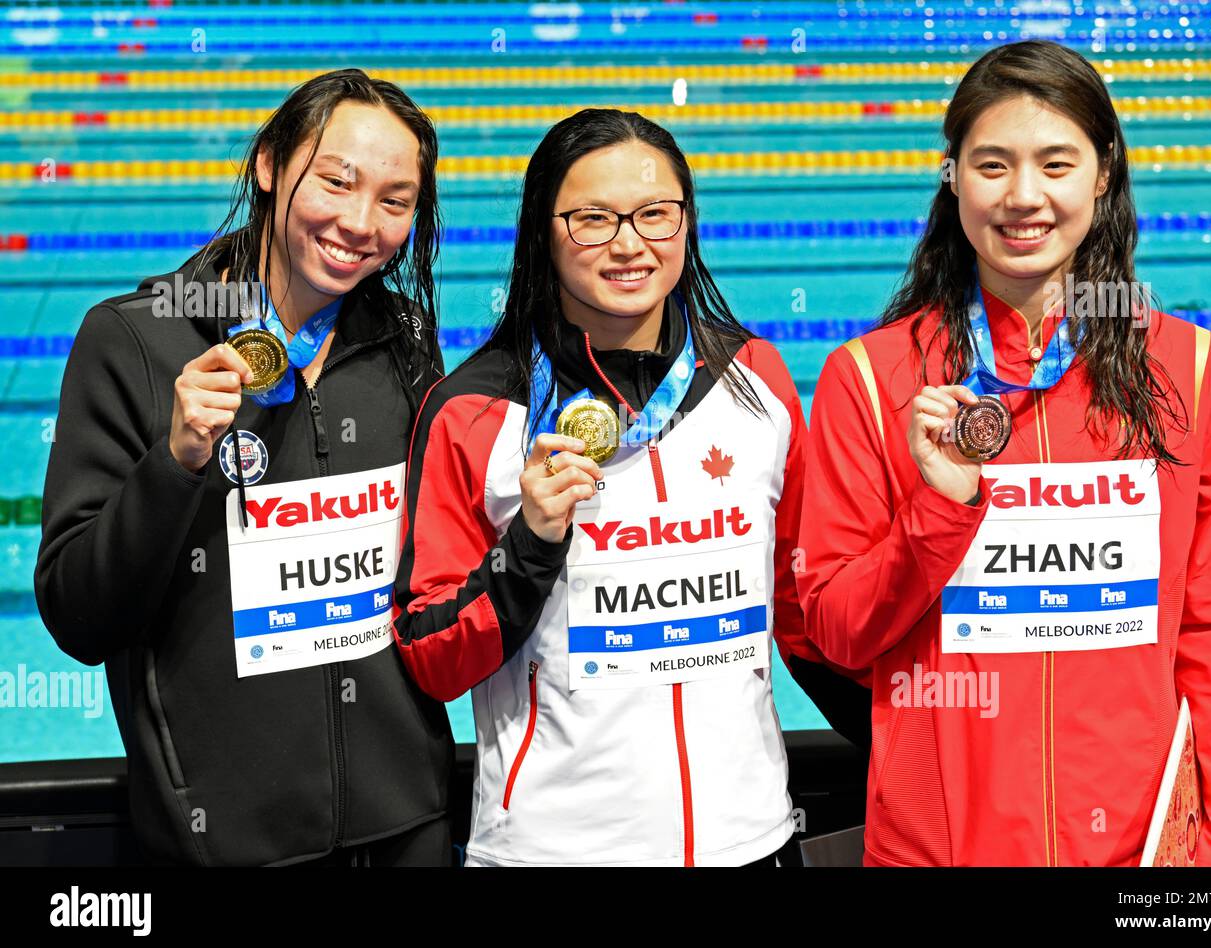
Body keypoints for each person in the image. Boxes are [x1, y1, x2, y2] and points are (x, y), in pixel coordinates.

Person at [797, 40, 1211, 866]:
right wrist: (939, 510)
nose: (1024, 197)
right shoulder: (869, 379)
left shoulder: (1193, 370)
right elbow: (835, 632)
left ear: (1103, 173)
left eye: (1056, 163)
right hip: (938, 850)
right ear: (952, 179)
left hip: (1143, 855)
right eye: (991, 165)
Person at [392, 108, 863, 866]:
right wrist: (530, 546)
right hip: (550, 851)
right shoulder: (475, 411)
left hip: (752, 840)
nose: (629, 243)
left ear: (687, 222)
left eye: (654, 215)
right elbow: (431, 656)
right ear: (543, 231)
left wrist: (904, 739)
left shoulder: (755, 381)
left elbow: (804, 612)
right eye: (593, 219)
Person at [35, 69, 452, 866]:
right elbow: (78, 616)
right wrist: (177, 461)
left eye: (395, 201)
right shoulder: (135, 344)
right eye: (336, 181)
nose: (360, 223)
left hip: (408, 825)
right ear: (269, 164)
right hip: (228, 844)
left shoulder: (398, 340)